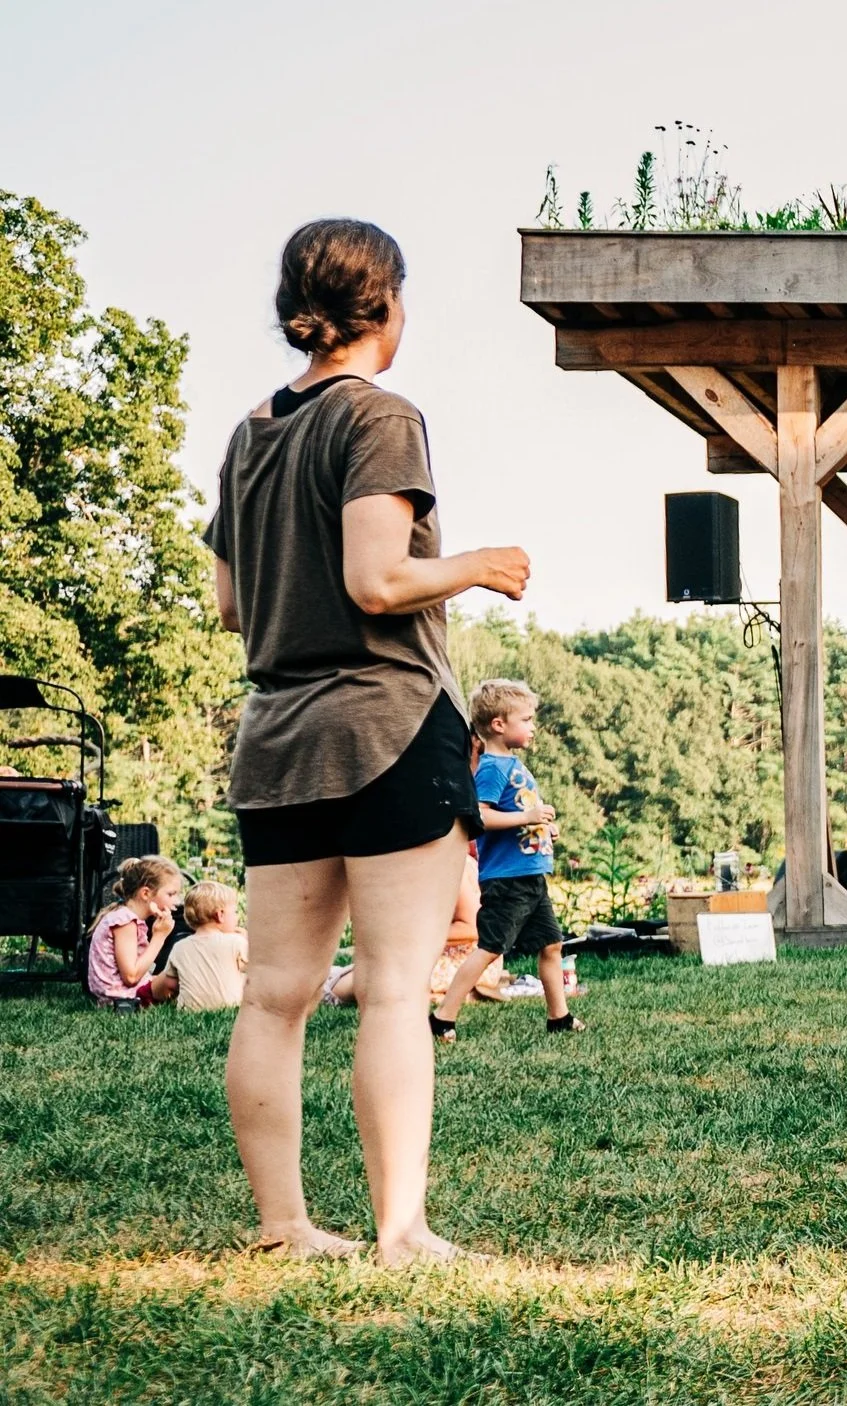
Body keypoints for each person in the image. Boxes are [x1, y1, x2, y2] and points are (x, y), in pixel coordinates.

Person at [209, 217, 526, 1263]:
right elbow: (378, 580)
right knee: (394, 983)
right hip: (385, 722)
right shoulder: (380, 416)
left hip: (276, 734)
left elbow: (227, 601)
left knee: (276, 992)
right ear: (384, 301)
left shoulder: (251, 430)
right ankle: (401, 1230)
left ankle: (285, 1225)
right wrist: (477, 561)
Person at [431, 679, 582, 1040]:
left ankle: (558, 1017)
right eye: (527, 719)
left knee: (551, 945)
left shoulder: (514, 766)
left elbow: (517, 816)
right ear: (499, 724)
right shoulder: (493, 769)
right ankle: (443, 1017)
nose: (533, 727)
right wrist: (526, 819)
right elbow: (478, 817)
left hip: (531, 877)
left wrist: (543, 829)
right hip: (508, 880)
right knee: (489, 948)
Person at [328, 850, 482, 1009]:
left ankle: (330, 990)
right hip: (432, 950)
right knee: (381, 972)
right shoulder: (417, 862)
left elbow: (473, 928)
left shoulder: (453, 865)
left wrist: (409, 936)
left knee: (383, 979)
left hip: (468, 958)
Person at [86, 856, 184, 1010]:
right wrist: (159, 936)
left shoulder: (127, 917)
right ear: (145, 893)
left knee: (177, 974)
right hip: (122, 997)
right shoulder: (125, 922)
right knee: (175, 979)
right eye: (171, 894)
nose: (177, 901)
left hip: (128, 991)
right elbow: (131, 977)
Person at [166, 880, 251, 1014]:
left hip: (189, 1012)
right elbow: (257, 970)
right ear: (220, 915)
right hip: (230, 1008)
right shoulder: (236, 941)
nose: (237, 917)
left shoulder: (179, 947)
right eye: (235, 912)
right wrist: (246, 940)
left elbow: (170, 984)